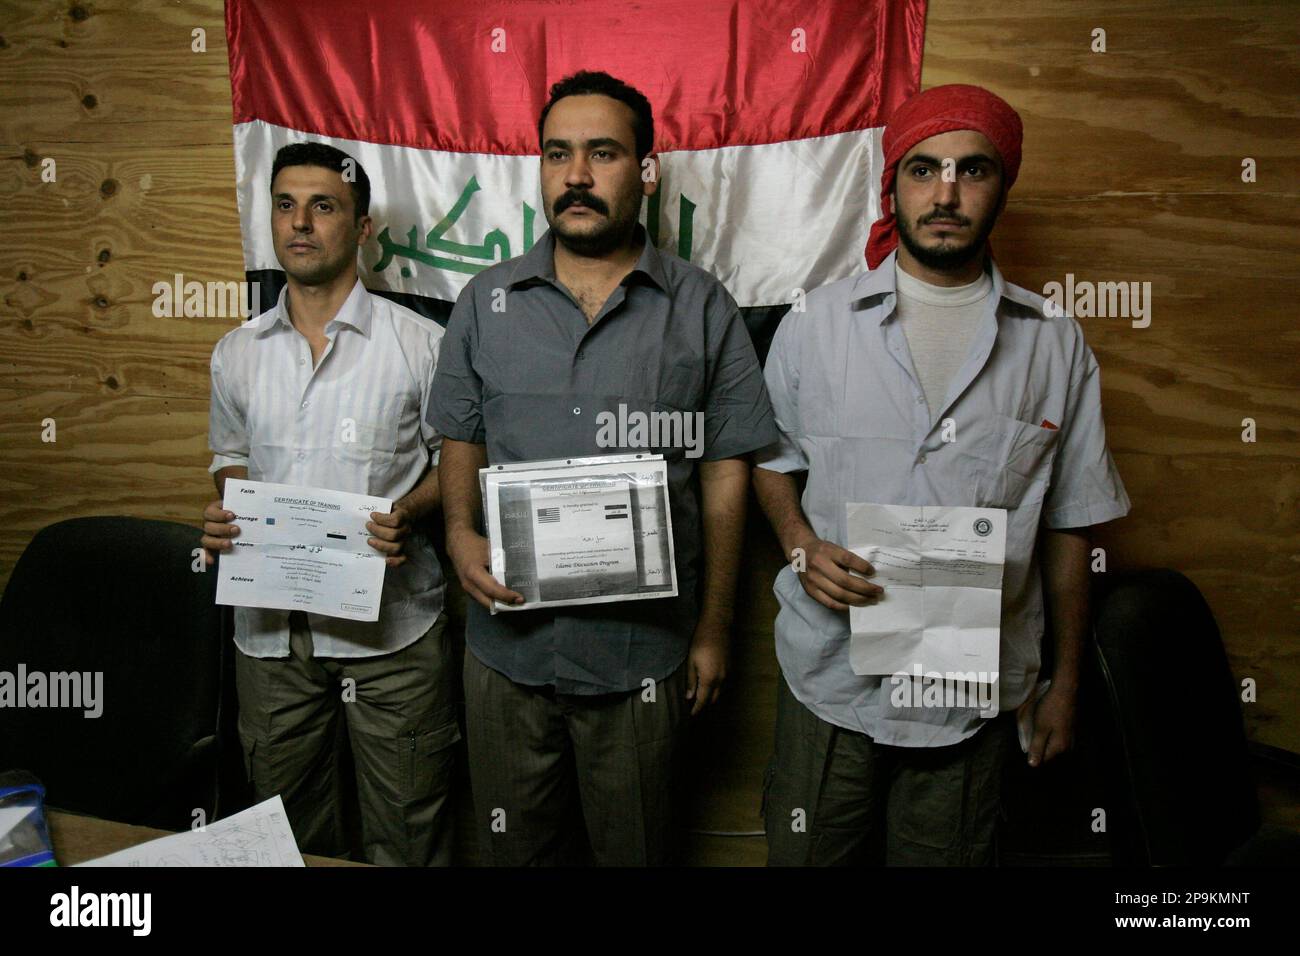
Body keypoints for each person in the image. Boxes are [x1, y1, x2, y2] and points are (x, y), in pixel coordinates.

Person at [754, 84, 1131, 865]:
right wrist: (799, 542)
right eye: (922, 170)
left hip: (975, 695)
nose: (946, 193)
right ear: (892, 185)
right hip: (831, 678)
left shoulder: (1053, 343)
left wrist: (1066, 685)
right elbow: (771, 461)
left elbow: (1070, 522)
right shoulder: (814, 324)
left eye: (973, 170)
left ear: (1004, 186)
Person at [427, 70, 778, 865]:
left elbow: (726, 472)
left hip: (643, 659)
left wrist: (716, 628)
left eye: (603, 153)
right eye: (558, 154)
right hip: (506, 656)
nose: (576, 175)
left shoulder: (700, 307)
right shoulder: (487, 302)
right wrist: (455, 530)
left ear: (646, 171)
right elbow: (460, 435)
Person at [200, 142, 458, 866]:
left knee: (407, 831)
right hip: (271, 636)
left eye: (324, 206)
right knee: (286, 834)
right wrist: (231, 510)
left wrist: (409, 510)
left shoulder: (421, 347)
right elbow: (231, 458)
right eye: (285, 205)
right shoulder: (238, 351)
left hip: (394, 634)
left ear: (363, 227)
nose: (301, 223)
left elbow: (458, 465)